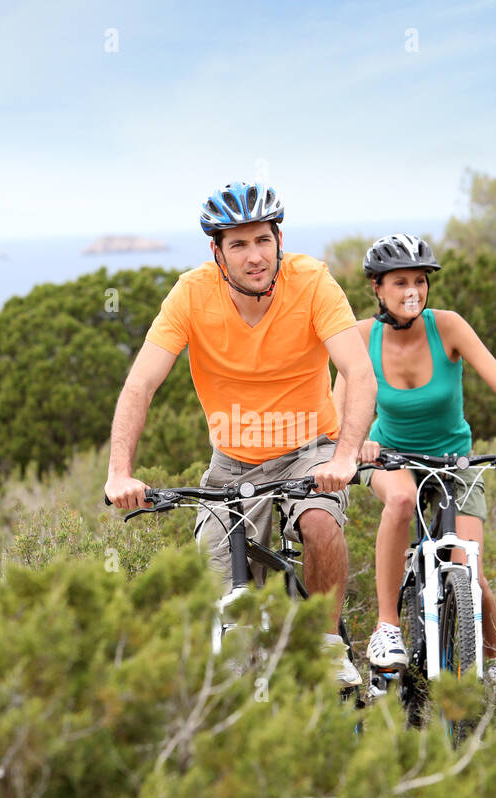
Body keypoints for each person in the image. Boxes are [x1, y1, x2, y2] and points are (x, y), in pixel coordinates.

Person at [104, 181, 377, 688]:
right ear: (217, 251)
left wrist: (344, 457)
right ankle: (239, 692)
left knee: (320, 523)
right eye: (238, 244)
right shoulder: (191, 293)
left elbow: (359, 373)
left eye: (263, 240)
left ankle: (324, 643)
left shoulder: (313, 282)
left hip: (309, 449)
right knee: (223, 596)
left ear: (278, 239)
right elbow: (141, 384)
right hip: (232, 462)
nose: (255, 257)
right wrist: (119, 471)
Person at [332, 233, 496, 681]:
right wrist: (355, 447)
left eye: (420, 280)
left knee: (471, 573)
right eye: (400, 282)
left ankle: (492, 662)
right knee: (399, 500)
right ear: (376, 287)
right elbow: (336, 411)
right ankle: (387, 626)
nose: (413, 290)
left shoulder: (447, 326)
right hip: (389, 455)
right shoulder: (360, 336)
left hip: (455, 461)